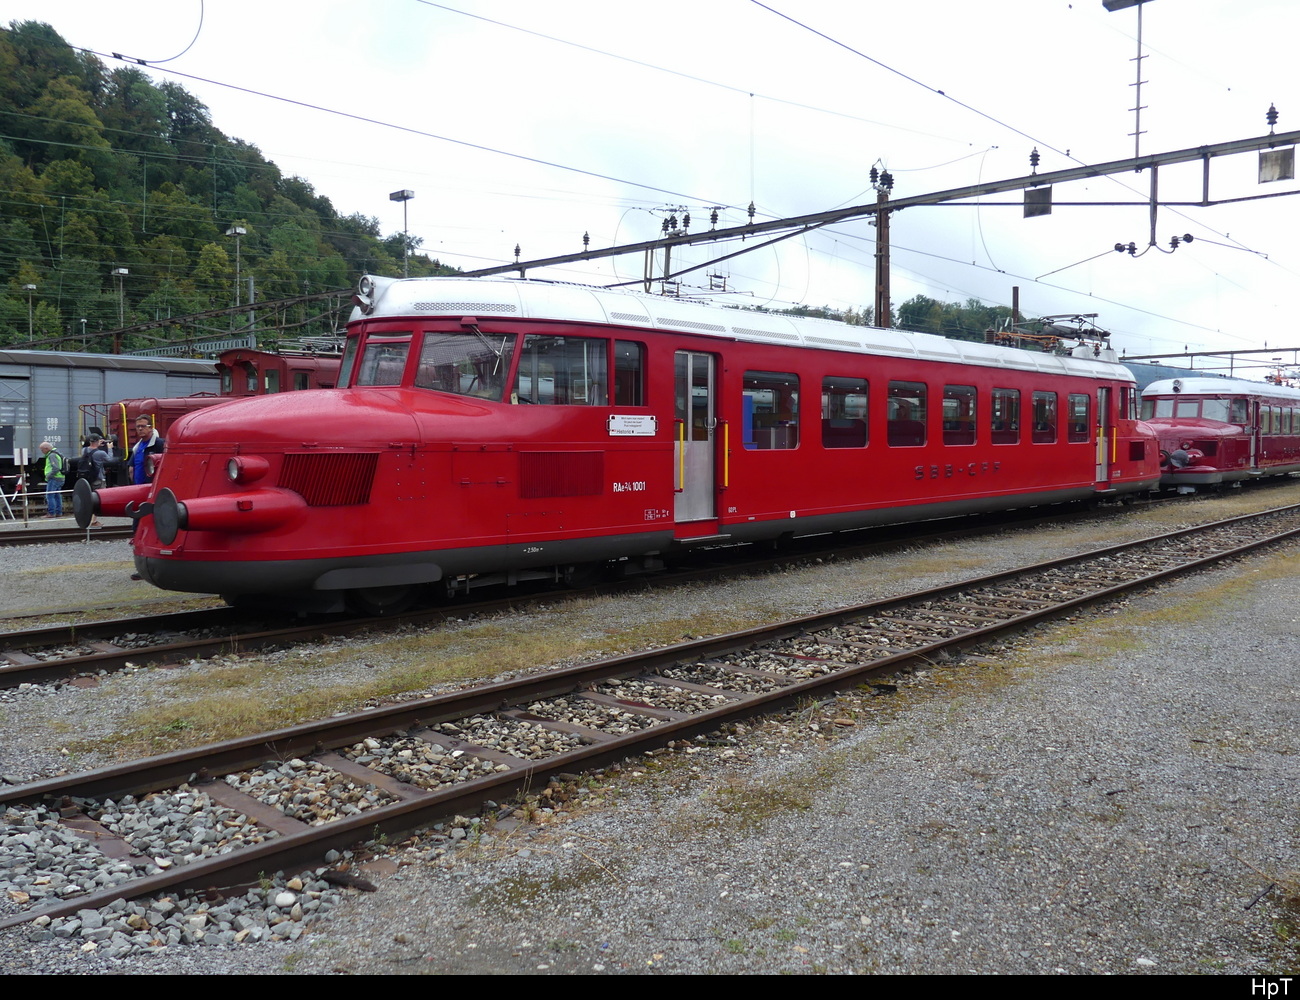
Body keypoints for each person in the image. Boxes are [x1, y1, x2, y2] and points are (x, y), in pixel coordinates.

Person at [130, 416, 165, 485]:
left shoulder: (160, 444)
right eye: (138, 426)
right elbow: (131, 468)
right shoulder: (137, 447)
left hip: (151, 487)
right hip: (137, 487)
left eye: (143, 426)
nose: (140, 429)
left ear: (151, 428)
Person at [38, 441, 66, 518]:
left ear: (46, 448)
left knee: (50, 495)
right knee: (57, 495)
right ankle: (58, 512)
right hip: (60, 477)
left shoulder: (52, 455)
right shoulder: (56, 453)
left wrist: (48, 476)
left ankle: (51, 513)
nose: (42, 452)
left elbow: (56, 468)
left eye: (42, 450)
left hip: (54, 478)